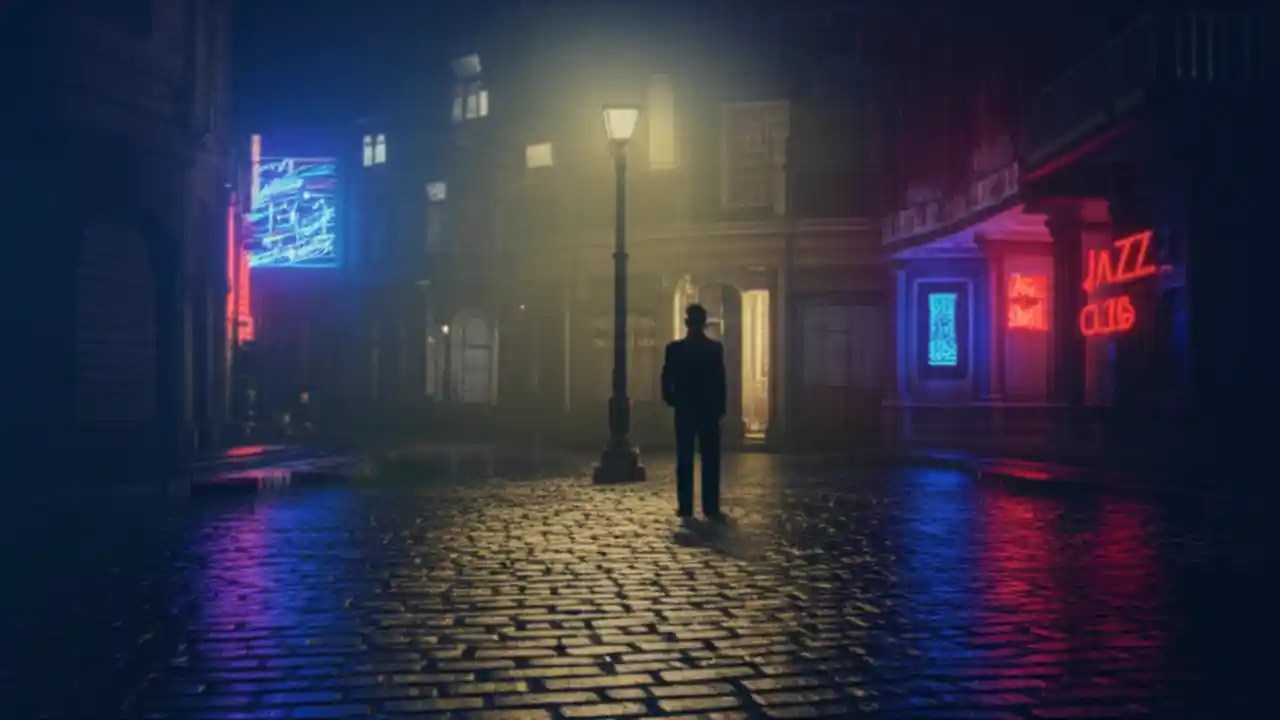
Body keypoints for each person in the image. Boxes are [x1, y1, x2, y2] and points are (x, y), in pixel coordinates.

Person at [661, 303, 727, 518]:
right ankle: (710, 505)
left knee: (684, 458)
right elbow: (720, 381)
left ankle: (686, 504)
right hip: (708, 409)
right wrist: (720, 408)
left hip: (685, 408)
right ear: (704, 323)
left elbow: (666, 378)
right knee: (710, 459)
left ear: (686, 323)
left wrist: (672, 400)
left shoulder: (675, 349)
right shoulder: (714, 349)